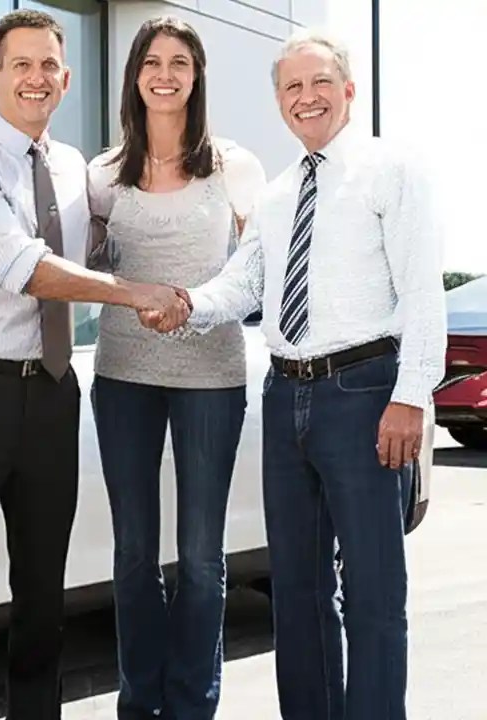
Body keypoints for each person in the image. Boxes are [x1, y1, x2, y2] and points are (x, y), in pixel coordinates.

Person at [0, 9, 190, 720]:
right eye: (20, 65)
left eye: (48, 65)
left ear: (66, 76)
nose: (36, 78)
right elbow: (28, 269)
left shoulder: (72, 168)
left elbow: (105, 250)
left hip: (51, 395)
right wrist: (138, 293)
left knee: (41, 600)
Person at [145, 29, 446, 720]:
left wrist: (410, 396)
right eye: (291, 88)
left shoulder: (390, 170)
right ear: (280, 101)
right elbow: (242, 284)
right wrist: (184, 305)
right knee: (300, 595)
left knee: (373, 594)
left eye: (319, 84)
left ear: (347, 90)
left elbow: (423, 294)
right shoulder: (280, 194)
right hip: (284, 397)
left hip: (365, 393)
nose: (305, 98)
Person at [85, 16, 266, 720]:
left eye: (180, 63)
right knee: (133, 553)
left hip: (212, 378)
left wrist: (197, 305)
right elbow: (86, 268)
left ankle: (191, 704)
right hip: (124, 375)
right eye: (153, 61)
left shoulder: (234, 166)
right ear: (134, 75)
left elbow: (253, 277)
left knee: (200, 556)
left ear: (197, 77)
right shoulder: (102, 176)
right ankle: (141, 700)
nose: (166, 74)